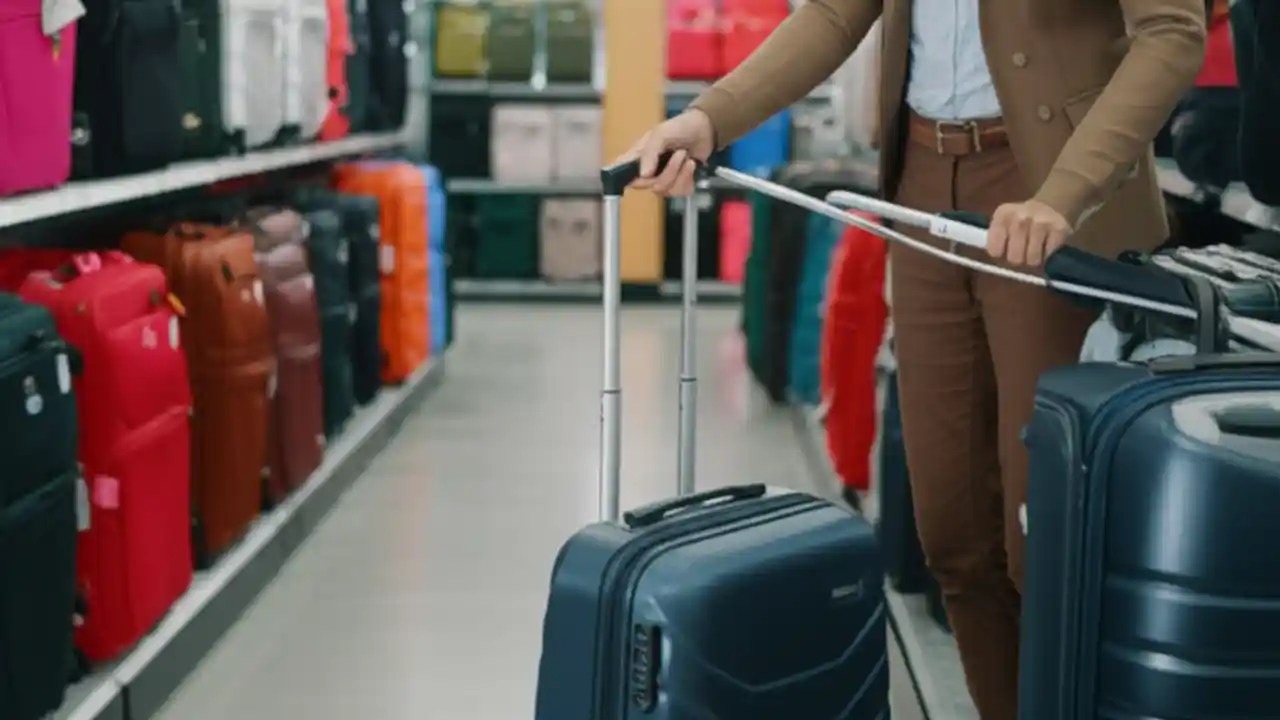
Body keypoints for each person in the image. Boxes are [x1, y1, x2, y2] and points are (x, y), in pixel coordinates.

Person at [620, 1, 1207, 718]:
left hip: (1052, 187)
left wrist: (1067, 192)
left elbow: (1172, 32)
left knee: (1045, 539)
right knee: (954, 534)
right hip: (923, 185)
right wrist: (709, 120)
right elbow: (835, 16)